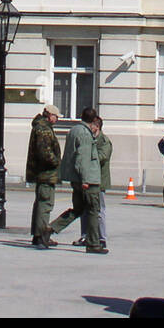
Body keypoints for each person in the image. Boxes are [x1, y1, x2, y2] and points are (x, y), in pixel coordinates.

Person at [48, 107, 105, 253]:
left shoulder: (73, 130)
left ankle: (50, 228)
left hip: (76, 178)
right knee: (93, 210)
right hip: (88, 179)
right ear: (93, 120)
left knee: (78, 209)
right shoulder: (85, 134)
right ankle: (93, 243)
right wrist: (85, 179)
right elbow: (83, 158)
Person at [25, 104, 62, 249]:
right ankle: (41, 236)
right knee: (45, 203)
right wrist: (56, 161)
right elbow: (45, 153)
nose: (57, 119)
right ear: (49, 115)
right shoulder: (44, 129)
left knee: (40, 202)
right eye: (56, 116)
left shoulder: (40, 127)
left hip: (42, 172)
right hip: (46, 173)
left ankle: (37, 234)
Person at [77, 116, 111, 247]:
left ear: (96, 126)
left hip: (99, 181)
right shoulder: (88, 139)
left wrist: (88, 154)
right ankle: (85, 235)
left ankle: (102, 238)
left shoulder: (104, 141)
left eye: (90, 125)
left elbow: (102, 157)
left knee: (99, 210)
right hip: (87, 179)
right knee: (85, 209)